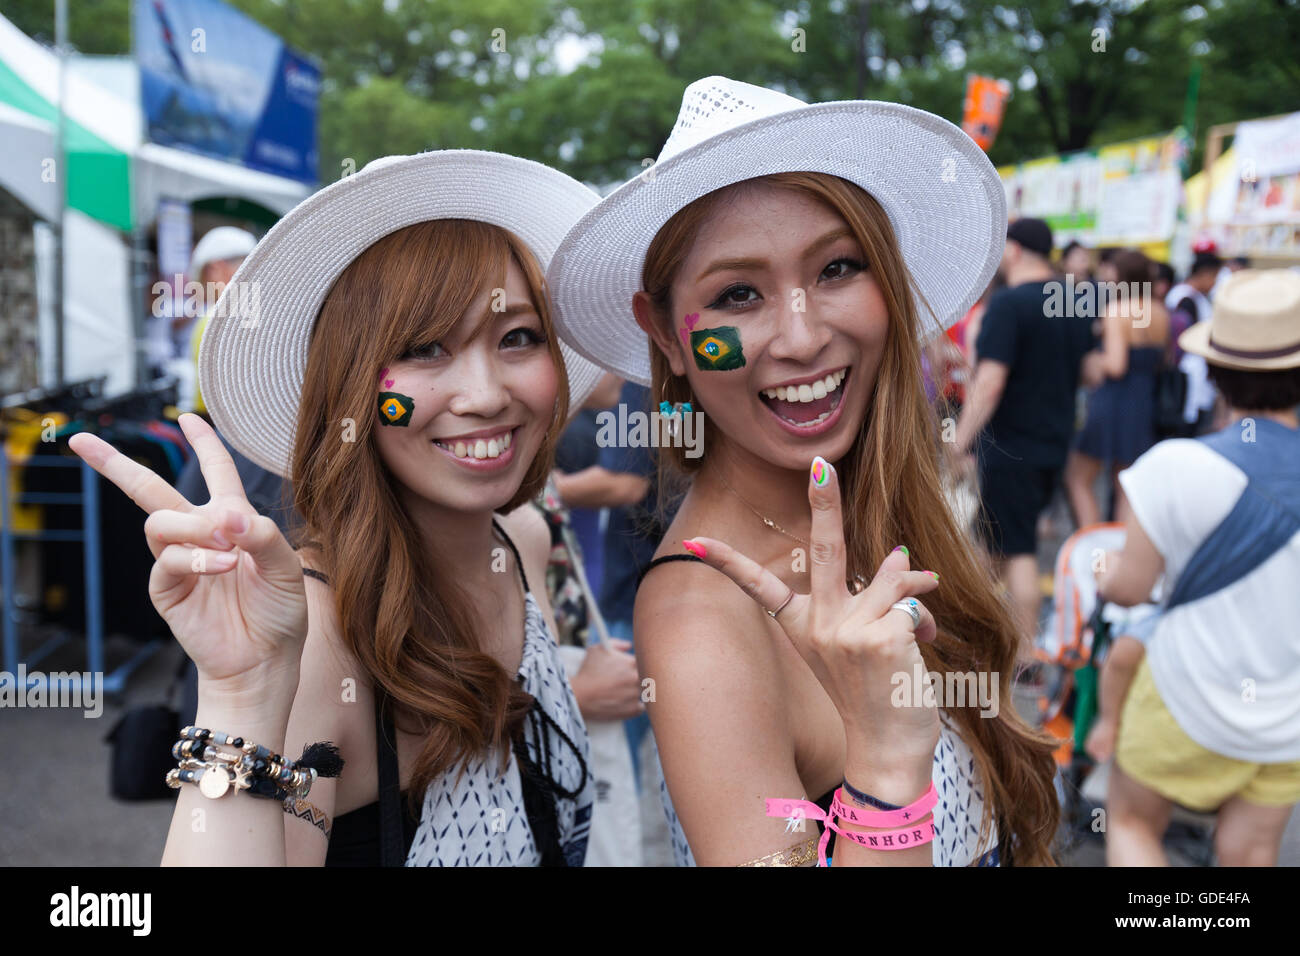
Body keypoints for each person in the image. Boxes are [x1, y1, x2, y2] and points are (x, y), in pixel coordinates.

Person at [548, 76, 1060, 866]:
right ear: (668, 335)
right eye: (739, 293)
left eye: (837, 269)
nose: (800, 336)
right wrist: (885, 768)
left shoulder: (879, 507)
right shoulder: (703, 620)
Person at [69, 150, 608, 866]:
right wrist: (242, 694)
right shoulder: (319, 640)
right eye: (423, 348)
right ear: (349, 385)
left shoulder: (524, 541)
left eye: (518, 338)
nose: (483, 394)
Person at [1098, 269, 1300, 866]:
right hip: (1287, 714)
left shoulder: (1174, 466)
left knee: (1132, 823)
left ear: (1214, 371)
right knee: (1252, 851)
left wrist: (1106, 570)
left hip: (1183, 697)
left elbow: (1131, 589)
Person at [951, 217, 1097, 654]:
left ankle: (1026, 652)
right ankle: (963, 627)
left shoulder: (1010, 305)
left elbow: (991, 382)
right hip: (1053, 443)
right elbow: (1090, 372)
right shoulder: (1072, 300)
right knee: (994, 544)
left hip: (1011, 446)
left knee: (1018, 551)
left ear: (1011, 252)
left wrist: (958, 441)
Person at [1064, 250, 1170, 528]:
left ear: (1122, 276)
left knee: (1078, 477)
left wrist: (1092, 358)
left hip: (1113, 401)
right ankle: (1121, 547)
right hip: (1143, 400)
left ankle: (1091, 542)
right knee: (1126, 483)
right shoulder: (1159, 311)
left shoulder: (1117, 311)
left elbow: (1115, 365)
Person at [185, 227, 258, 414]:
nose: (200, 290)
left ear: (216, 269)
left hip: (223, 423)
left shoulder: (216, 321)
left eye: (201, 281)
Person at [1166, 252, 1224, 432]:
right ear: (1205, 273)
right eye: (1214, 276)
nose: (1214, 283)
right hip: (1188, 372)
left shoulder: (1187, 295)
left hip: (1190, 372)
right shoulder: (1186, 299)